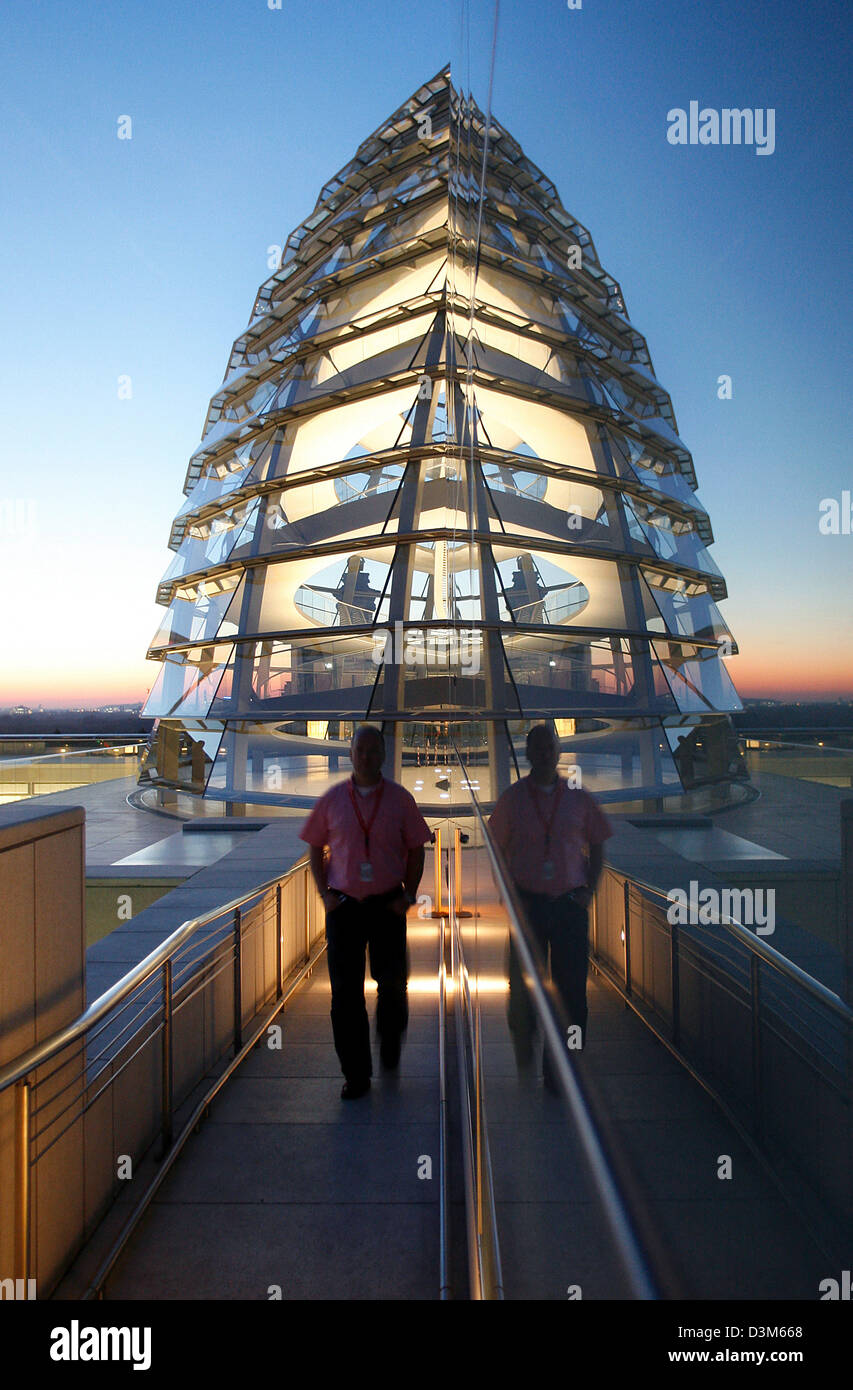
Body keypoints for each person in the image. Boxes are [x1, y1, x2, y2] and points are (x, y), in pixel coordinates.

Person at [300, 725, 431, 1100]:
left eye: (373, 751)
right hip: (345, 908)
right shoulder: (332, 800)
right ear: (351, 754)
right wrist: (325, 895)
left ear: (383, 755)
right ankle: (356, 1075)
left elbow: (418, 848)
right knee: (345, 994)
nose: (366, 757)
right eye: (360, 751)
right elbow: (314, 847)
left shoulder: (401, 800)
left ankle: (390, 1046)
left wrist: (408, 895)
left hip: (387, 905)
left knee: (392, 986)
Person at [488, 723, 613, 1089]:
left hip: (568, 906)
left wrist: (588, 891)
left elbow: (599, 842)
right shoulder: (513, 799)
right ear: (528, 753)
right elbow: (497, 849)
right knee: (523, 989)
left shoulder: (578, 797)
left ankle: (563, 1069)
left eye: (550, 746)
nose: (544, 753)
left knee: (571, 991)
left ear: (558, 753)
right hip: (528, 906)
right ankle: (525, 1041)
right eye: (538, 747)